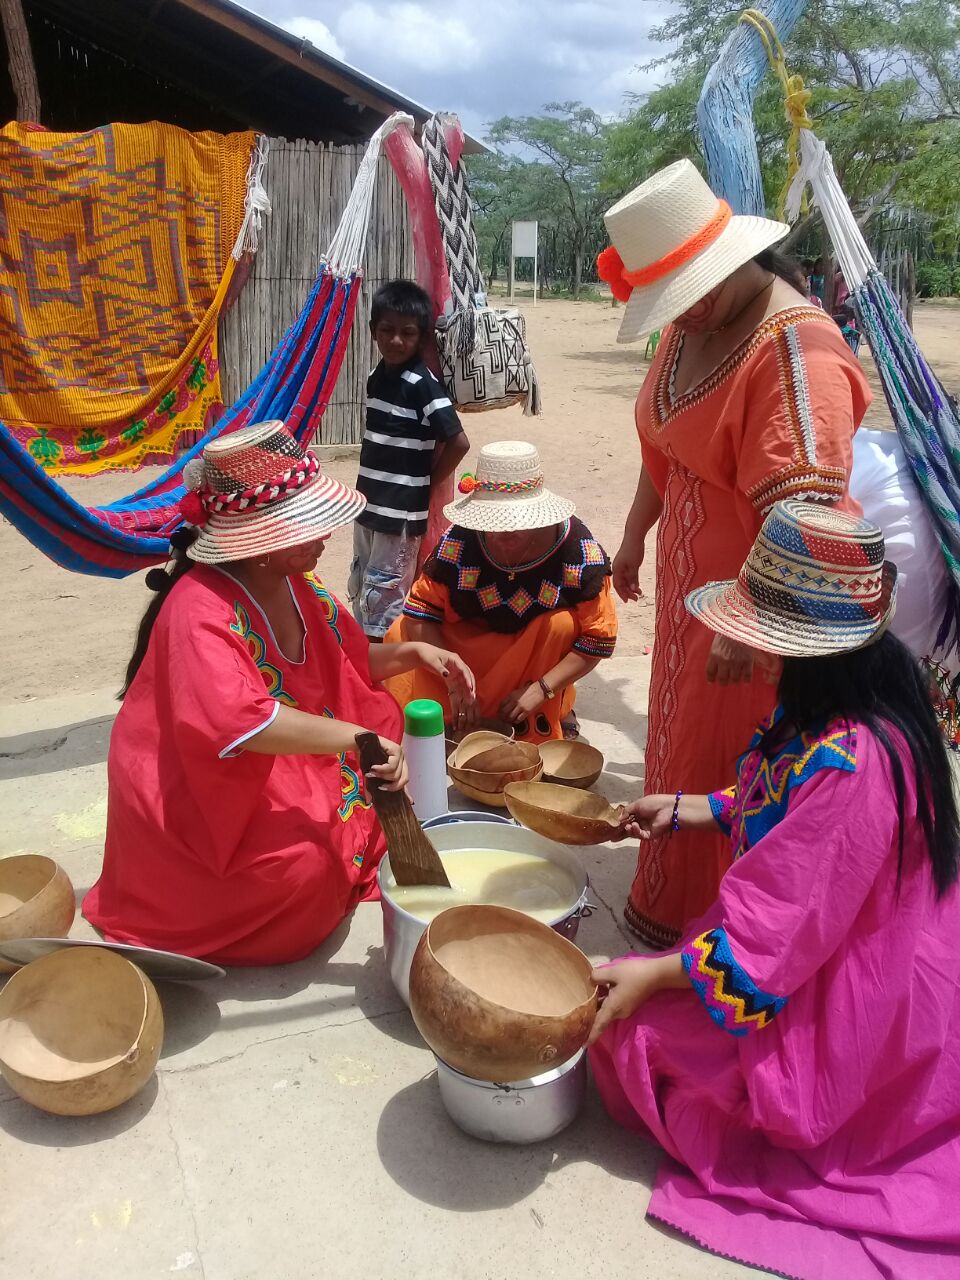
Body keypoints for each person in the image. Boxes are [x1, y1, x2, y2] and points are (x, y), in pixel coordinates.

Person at [589, 500, 960, 1280]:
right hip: (838, 942)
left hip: (851, 978)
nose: (752, 657)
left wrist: (653, 975)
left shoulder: (858, 765)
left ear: (819, 654)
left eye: (766, 643)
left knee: (638, 1042)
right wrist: (693, 809)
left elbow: (781, 930)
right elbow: (782, 806)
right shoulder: (838, 713)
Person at [599, 158, 870, 948]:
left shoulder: (796, 352)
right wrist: (635, 534)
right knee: (685, 742)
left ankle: (727, 939)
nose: (673, 316)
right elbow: (667, 450)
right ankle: (675, 898)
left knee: (737, 759)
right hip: (700, 597)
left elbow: (806, 513)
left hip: (762, 616)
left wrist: (745, 622)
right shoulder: (697, 324)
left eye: (681, 299)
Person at [84, 420, 475, 966]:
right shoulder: (198, 608)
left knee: (383, 729)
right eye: (307, 524)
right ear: (261, 543)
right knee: (303, 872)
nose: (326, 535)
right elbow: (241, 723)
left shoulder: (298, 582)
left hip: (283, 757)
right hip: (207, 792)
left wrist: (413, 653)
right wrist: (355, 737)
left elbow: (348, 660)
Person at [382, 441, 618, 743]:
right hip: (468, 657)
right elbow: (420, 614)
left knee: (561, 625)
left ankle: (542, 713)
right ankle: (452, 714)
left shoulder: (579, 553)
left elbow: (599, 638)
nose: (500, 536)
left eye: (514, 526)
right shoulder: (459, 543)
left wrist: (541, 689)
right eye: (492, 524)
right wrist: (453, 677)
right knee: (400, 633)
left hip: (533, 664)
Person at [349, 280, 470, 640]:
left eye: (408, 333)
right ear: (373, 331)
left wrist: (429, 483)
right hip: (366, 505)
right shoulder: (375, 377)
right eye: (387, 330)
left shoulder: (422, 384)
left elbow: (458, 442)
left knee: (385, 599)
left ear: (421, 337)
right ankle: (370, 662)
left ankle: (383, 676)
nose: (396, 341)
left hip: (400, 515)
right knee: (363, 583)